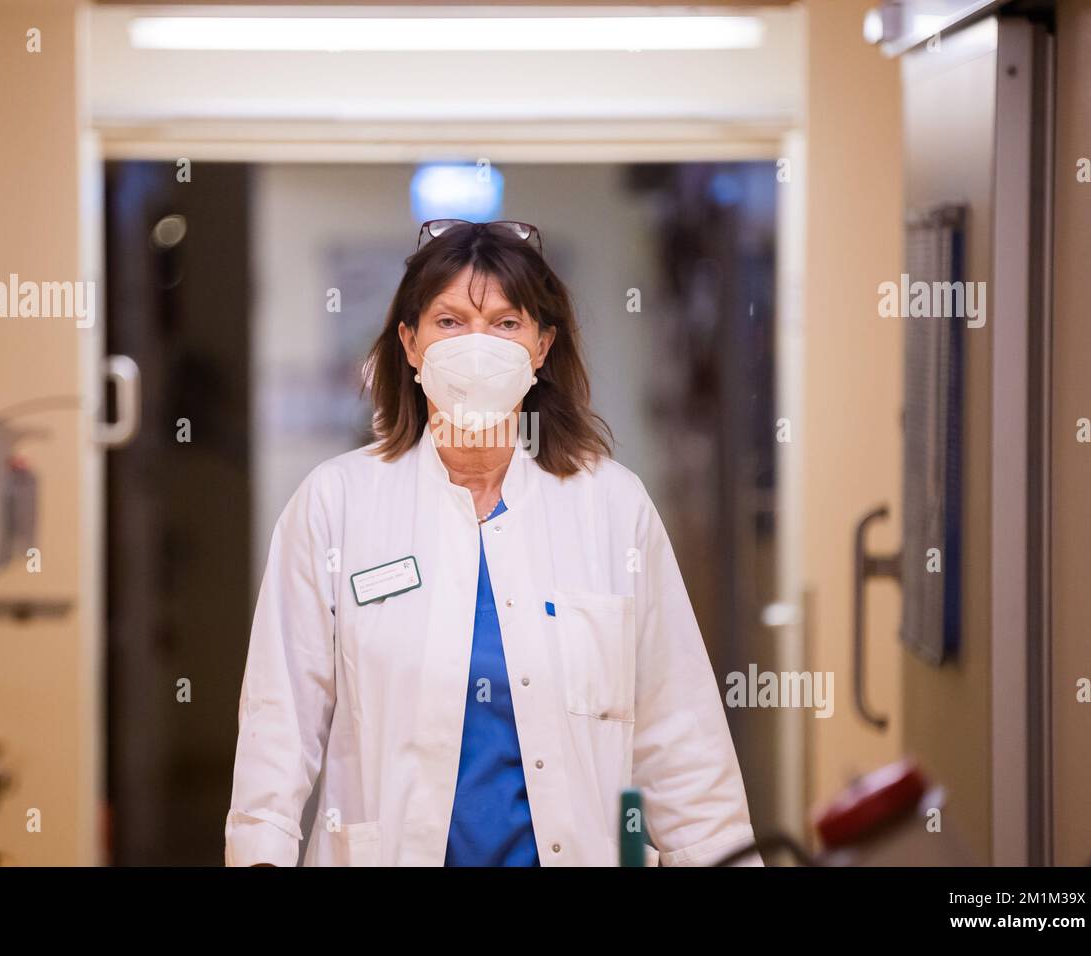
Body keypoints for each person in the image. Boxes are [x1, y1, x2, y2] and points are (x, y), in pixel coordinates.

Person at [224, 219, 760, 867]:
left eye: (506, 324)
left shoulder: (612, 506)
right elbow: (279, 722)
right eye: (449, 321)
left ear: (541, 346)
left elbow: (679, 736)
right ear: (410, 343)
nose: (477, 346)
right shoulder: (336, 503)